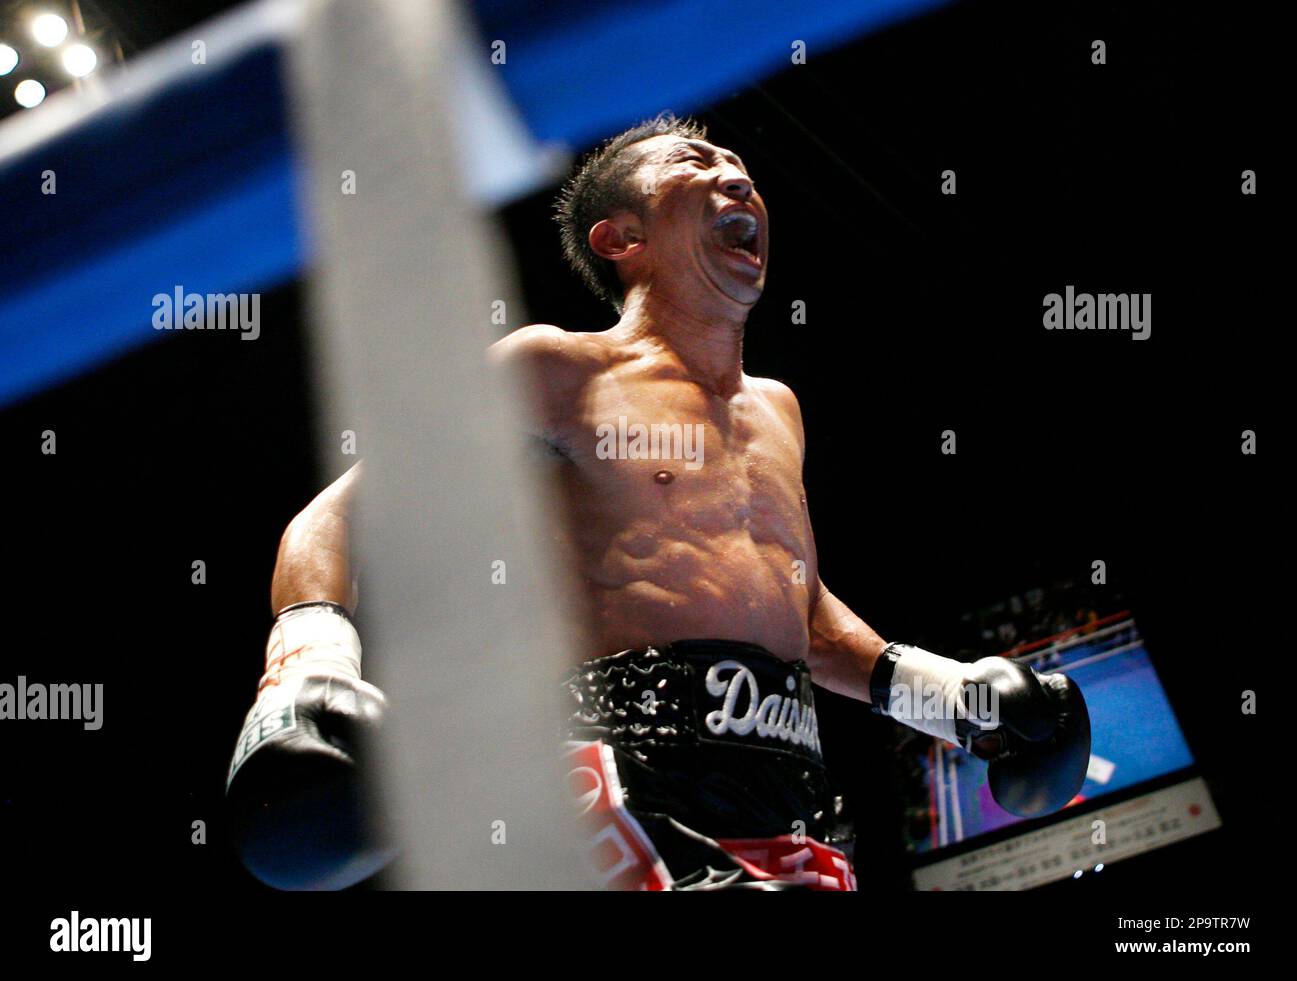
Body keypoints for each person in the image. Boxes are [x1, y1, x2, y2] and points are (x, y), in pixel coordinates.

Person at [226, 114, 1089, 891]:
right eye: (695, 160)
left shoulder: (777, 409)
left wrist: (944, 693)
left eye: (742, 166)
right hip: (615, 778)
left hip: (791, 802)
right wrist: (305, 667)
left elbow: (800, 610)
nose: (735, 176)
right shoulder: (559, 372)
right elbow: (338, 516)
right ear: (622, 236)